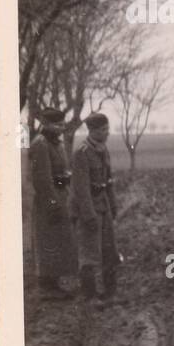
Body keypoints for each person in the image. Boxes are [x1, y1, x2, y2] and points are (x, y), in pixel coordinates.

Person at [70, 112, 120, 301]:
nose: (107, 133)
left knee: (109, 250)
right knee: (89, 254)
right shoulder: (81, 153)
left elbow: (108, 181)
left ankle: (109, 293)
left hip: (103, 206)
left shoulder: (103, 150)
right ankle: (89, 297)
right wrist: (89, 215)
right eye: (103, 130)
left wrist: (113, 205)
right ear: (92, 131)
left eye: (107, 129)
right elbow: (81, 189)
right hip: (88, 209)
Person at [28, 108, 76, 299]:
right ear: (46, 124)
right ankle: (46, 286)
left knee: (57, 239)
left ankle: (54, 282)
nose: (62, 128)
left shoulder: (55, 142)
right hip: (49, 198)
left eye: (63, 124)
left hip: (60, 193)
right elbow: (42, 179)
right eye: (58, 124)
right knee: (47, 239)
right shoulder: (40, 144)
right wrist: (52, 202)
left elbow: (61, 170)